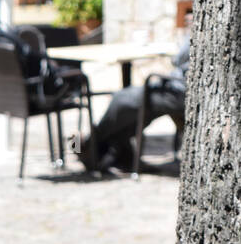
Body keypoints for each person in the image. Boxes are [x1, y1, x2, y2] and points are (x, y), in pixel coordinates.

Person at [78, 36, 189, 174]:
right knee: (132, 109)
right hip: (173, 89)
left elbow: (178, 59)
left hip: (175, 92)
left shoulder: (198, 32)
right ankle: (110, 152)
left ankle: (93, 144)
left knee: (122, 99)